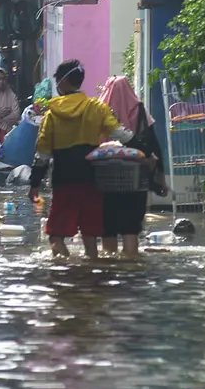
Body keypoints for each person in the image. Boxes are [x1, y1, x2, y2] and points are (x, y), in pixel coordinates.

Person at [28, 60, 133, 259]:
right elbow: (122, 135)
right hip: (92, 181)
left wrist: (34, 184)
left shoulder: (51, 116)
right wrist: (144, 150)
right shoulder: (97, 108)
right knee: (90, 235)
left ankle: (64, 270)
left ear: (63, 82)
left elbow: (42, 156)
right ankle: (91, 270)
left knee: (55, 236)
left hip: (64, 182)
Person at [98, 76, 169, 258]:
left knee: (108, 227)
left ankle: (108, 264)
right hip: (136, 179)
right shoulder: (140, 111)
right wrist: (161, 179)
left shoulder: (100, 111)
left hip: (105, 179)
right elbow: (154, 146)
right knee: (131, 226)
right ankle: (131, 264)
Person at [0, 67, 21, 139]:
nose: (1, 82)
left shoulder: (11, 95)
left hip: (10, 133)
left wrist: (1, 120)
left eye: (3, 79)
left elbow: (16, 114)